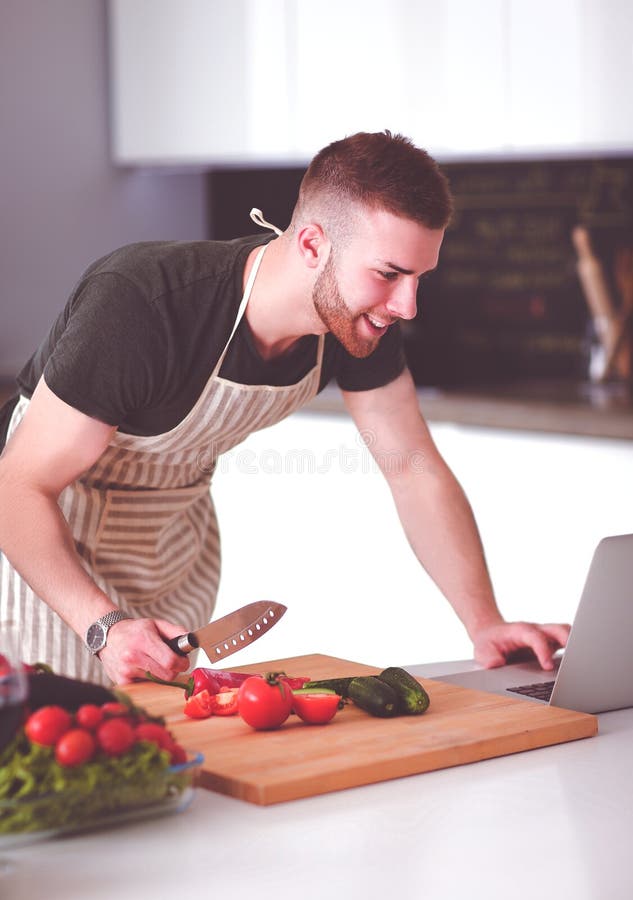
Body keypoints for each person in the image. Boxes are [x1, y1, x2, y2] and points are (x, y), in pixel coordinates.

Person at [0, 131, 570, 687]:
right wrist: (105, 626)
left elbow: (412, 467)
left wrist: (485, 623)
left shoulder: (360, 322)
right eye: (389, 274)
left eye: (419, 277)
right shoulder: (143, 303)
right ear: (312, 245)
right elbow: (17, 489)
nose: (407, 305)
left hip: (170, 558)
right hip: (46, 563)